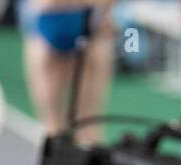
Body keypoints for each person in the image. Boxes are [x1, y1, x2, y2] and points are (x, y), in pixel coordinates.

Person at [20, 1, 115, 143]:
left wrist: (105, 14)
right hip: (46, 34)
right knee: (53, 126)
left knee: (89, 124)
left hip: (90, 33)